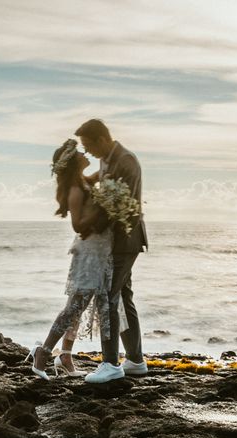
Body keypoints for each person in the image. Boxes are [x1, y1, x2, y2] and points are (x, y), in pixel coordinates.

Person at [27, 138, 118, 380]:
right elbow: (77, 225)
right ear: (73, 162)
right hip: (89, 254)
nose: (84, 153)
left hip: (99, 250)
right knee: (74, 306)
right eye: (79, 153)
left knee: (79, 306)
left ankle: (65, 355)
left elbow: (104, 172)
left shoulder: (84, 182)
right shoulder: (77, 189)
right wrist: (103, 212)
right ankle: (43, 353)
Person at [76, 119, 147, 384]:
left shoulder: (126, 160)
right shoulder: (106, 160)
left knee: (107, 296)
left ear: (102, 139)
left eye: (88, 145)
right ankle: (135, 360)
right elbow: (92, 183)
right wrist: (74, 173)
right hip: (113, 241)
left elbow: (117, 205)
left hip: (125, 240)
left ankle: (110, 364)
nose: (88, 151)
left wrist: (88, 227)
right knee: (123, 296)